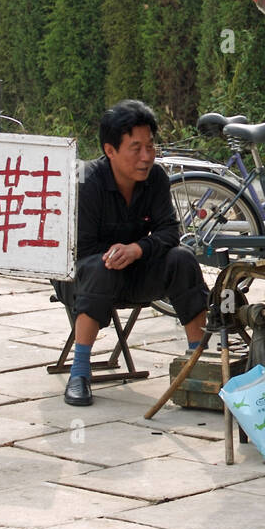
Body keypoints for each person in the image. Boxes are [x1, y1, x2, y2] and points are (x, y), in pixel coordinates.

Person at [61, 100, 210, 407]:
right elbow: (78, 250)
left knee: (182, 258)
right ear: (110, 150)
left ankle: (199, 359)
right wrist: (114, 255)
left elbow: (169, 230)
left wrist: (138, 249)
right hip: (84, 280)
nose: (146, 157)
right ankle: (79, 373)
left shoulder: (154, 179)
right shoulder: (87, 181)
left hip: (135, 272)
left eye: (150, 147)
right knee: (100, 268)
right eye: (136, 148)